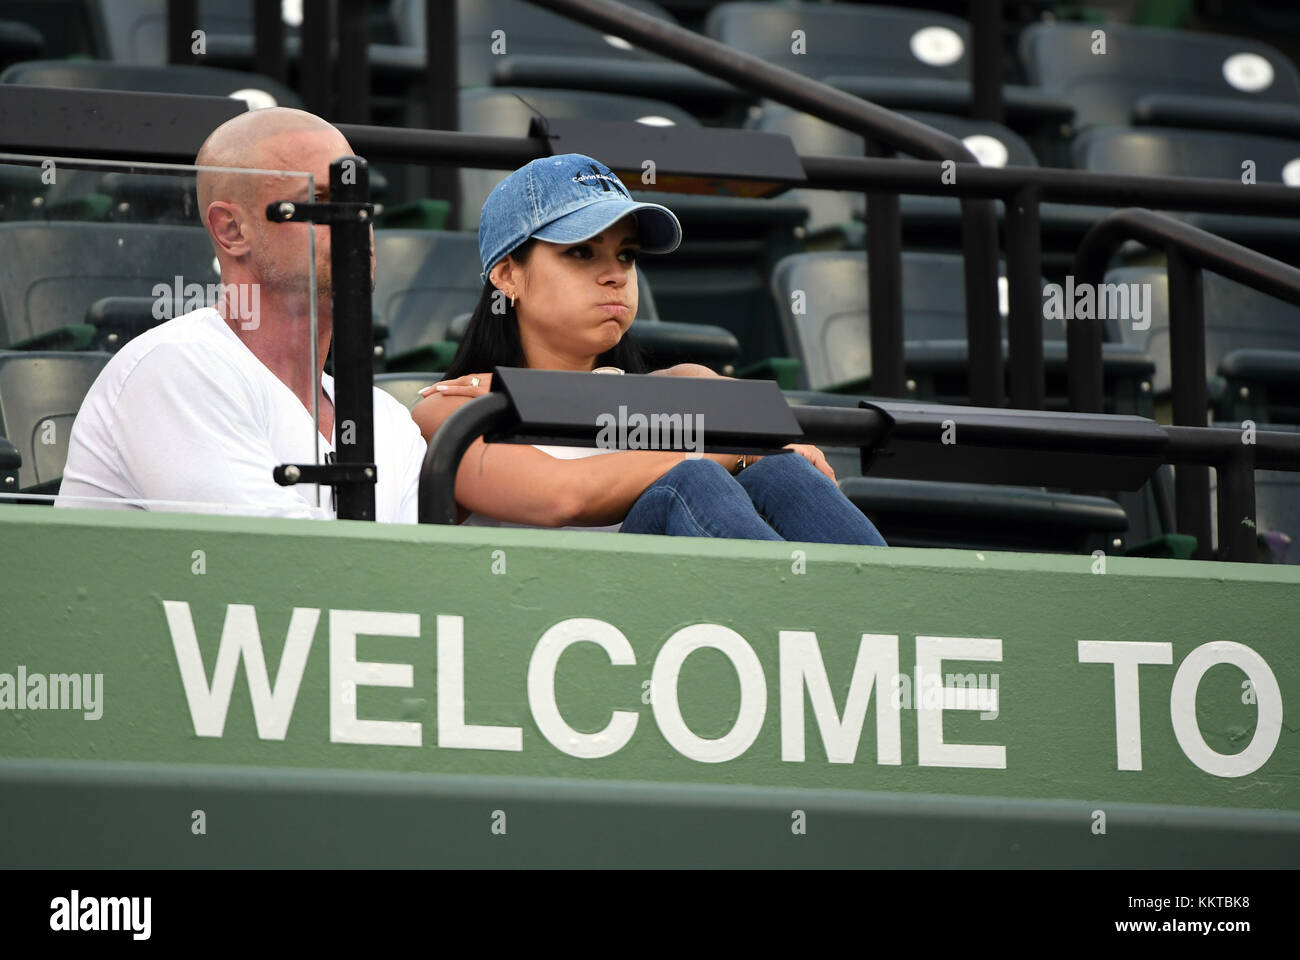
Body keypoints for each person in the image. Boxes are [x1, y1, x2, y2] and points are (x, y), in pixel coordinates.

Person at [411, 154, 887, 545]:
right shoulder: (450, 409)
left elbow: (794, 456)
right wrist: (732, 448)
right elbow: (561, 497)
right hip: (550, 634)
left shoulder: (681, 387)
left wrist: (750, 445)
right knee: (691, 480)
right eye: (581, 251)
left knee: (777, 470)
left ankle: (879, 629)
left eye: (627, 255)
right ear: (507, 275)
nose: (615, 274)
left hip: (674, 627)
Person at [56, 107, 426, 520]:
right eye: (319, 201)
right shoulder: (175, 367)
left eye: (358, 201)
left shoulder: (388, 420)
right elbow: (274, 565)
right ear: (231, 229)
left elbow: (420, 570)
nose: (353, 222)